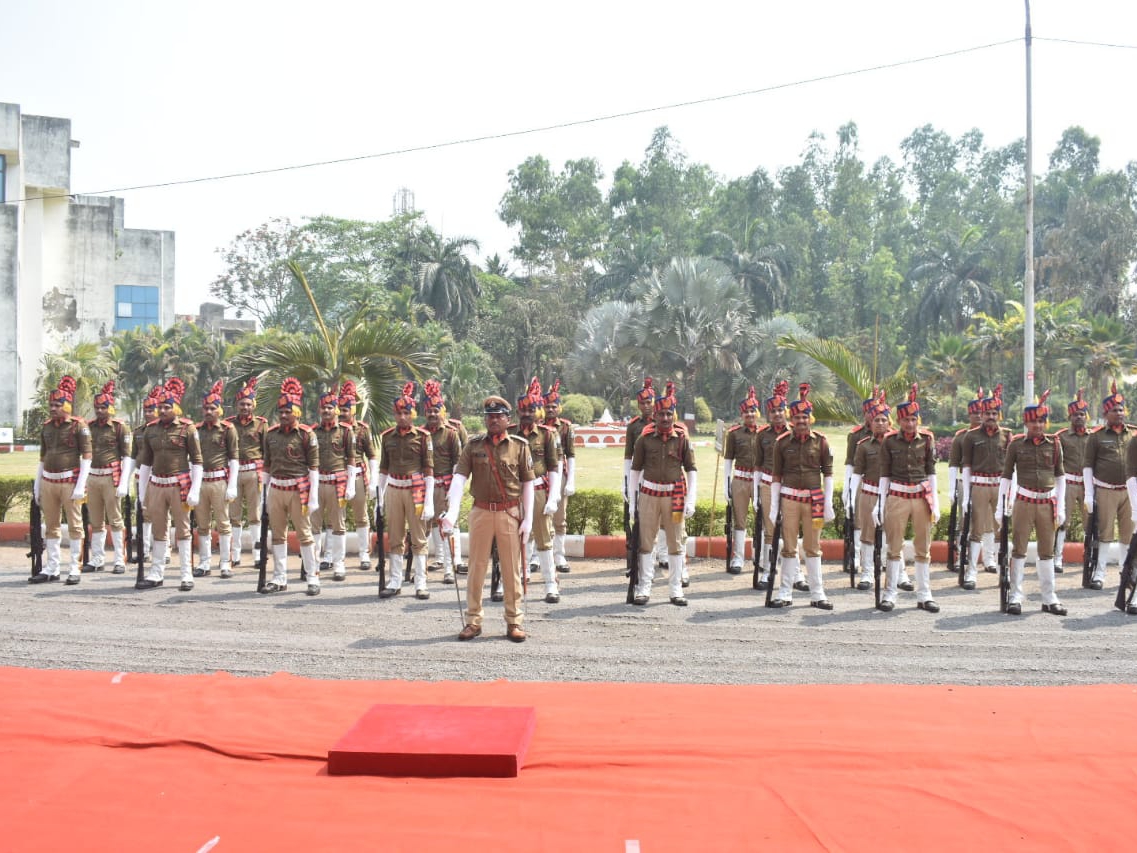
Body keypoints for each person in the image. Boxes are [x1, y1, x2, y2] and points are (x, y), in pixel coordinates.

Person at [440, 395, 535, 642]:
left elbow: (528, 484)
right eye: (489, 417)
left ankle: (514, 621)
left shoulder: (519, 446)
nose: (493, 420)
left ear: (508, 419)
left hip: (509, 512)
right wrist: (451, 514)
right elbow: (459, 479)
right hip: (481, 511)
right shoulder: (473, 446)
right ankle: (473, 621)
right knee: (476, 568)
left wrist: (528, 519)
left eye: (498, 416)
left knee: (511, 569)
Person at [628, 381, 697, 606]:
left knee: (676, 542)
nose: (665, 418)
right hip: (649, 494)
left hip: (675, 495)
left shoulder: (682, 438)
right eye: (661, 414)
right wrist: (632, 501)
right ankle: (644, 586)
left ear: (673, 415)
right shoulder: (644, 439)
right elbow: (635, 471)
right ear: (655, 416)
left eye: (669, 414)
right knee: (646, 542)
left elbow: (691, 470)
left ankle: (676, 589)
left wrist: (691, 499)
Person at [999, 391, 1067, 616]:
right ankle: (1016, 596)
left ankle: (1049, 598)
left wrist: (1061, 506)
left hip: (1047, 502)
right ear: (1025, 422)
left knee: (1047, 551)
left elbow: (1060, 476)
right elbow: (1007, 476)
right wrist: (1002, 507)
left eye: (1041, 420)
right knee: (1018, 549)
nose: (1037, 425)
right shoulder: (1016, 445)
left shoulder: (1055, 444)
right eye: (1033, 421)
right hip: (1024, 501)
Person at [767, 383, 835, 609]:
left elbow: (828, 473)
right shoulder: (782, 443)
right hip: (790, 499)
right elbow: (776, 475)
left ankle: (818, 594)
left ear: (810, 419)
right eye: (797, 418)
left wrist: (828, 504)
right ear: (791, 419)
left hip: (814, 499)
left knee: (813, 547)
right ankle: (785, 593)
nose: (801, 421)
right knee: (788, 546)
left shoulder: (821, 441)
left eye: (805, 417)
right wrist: (774, 506)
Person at [134, 378, 203, 591]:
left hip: (179, 484)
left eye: (167, 407)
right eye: (160, 407)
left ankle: (186, 574)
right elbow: (145, 462)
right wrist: (141, 493)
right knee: (158, 529)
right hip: (157, 484)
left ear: (176, 408)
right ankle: (156, 574)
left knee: (183, 530)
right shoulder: (150, 430)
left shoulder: (187, 429)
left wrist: (195, 489)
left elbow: (197, 460)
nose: (162, 410)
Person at [876, 385, 940, 613]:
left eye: (913, 419)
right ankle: (890, 594)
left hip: (921, 497)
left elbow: (931, 471)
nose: (910, 424)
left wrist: (936, 502)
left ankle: (924, 595)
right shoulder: (889, 441)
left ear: (918, 419)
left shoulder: (928, 439)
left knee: (923, 548)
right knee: (894, 547)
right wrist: (879, 503)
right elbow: (884, 474)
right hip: (897, 496)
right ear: (899, 421)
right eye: (906, 420)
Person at [261, 377, 321, 595]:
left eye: (288, 411)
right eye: (281, 412)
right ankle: (279, 578)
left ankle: (313, 578)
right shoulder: (270, 435)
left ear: (297, 412)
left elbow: (313, 468)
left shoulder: (306, 435)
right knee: (277, 534)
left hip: (298, 488)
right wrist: (263, 494)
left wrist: (313, 497)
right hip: (276, 488)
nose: (284, 415)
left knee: (304, 534)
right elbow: (266, 466)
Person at [30, 376, 92, 585]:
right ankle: (52, 567)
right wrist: (38, 486)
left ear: (67, 405)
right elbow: (42, 458)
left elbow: (87, 457)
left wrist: (81, 485)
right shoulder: (47, 427)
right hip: (49, 481)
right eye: (51, 405)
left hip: (69, 481)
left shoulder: (78, 426)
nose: (53, 408)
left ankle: (75, 567)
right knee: (51, 526)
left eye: (57, 405)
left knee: (75, 525)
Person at [377, 382, 435, 600]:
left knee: (418, 538)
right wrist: (380, 496)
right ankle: (395, 581)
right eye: (398, 413)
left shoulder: (422, 437)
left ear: (413, 414)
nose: (402, 417)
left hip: (416, 490)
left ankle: (420, 582)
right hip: (394, 488)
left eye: (406, 413)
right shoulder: (387, 437)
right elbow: (383, 468)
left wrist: (429, 501)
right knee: (395, 537)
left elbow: (429, 470)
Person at [510, 378, 562, 603]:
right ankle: (511, 582)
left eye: (531, 409)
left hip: (540, 491)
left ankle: (551, 585)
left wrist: (554, 496)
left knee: (543, 538)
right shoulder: (510, 433)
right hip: (513, 492)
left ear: (538, 411)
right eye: (523, 410)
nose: (527, 413)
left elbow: (554, 467)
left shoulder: (547, 434)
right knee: (511, 538)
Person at [1082, 382, 1134, 590]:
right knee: (1104, 534)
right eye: (1115, 410)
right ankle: (1099, 574)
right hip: (1105, 490)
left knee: (1128, 534)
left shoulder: (1133, 434)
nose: (1119, 413)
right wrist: (1088, 494)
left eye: (1121, 409)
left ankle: (1127, 572)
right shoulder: (1096, 436)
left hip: (1129, 491)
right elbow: (1087, 467)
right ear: (1106, 413)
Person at [961, 383, 1012, 589]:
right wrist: (966, 496)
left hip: (1000, 485)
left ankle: (1002, 571)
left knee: (1001, 529)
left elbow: (1011, 467)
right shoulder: (971, 436)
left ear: (999, 414)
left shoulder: (1007, 435)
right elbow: (966, 466)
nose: (991, 416)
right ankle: (972, 571)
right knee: (977, 530)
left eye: (994, 412)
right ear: (981, 414)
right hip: (979, 485)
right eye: (987, 412)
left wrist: (1011, 492)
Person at [83, 380, 132, 574]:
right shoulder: (89, 427)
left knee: (115, 519)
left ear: (111, 408)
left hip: (112, 477)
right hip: (93, 476)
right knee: (95, 520)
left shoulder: (120, 427)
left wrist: (124, 482)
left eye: (104, 407)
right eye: (97, 407)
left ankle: (120, 559)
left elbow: (127, 456)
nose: (100, 410)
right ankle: (97, 558)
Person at [310, 388, 357, 582]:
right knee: (313, 526)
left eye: (330, 407)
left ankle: (339, 564)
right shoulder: (312, 431)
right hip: (317, 481)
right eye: (324, 408)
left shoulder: (346, 432)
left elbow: (352, 459)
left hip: (338, 482)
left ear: (337, 410)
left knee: (338, 525)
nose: (326, 411)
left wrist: (351, 485)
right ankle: (312, 565)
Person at [193, 381, 240, 579]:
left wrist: (232, 485)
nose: (209, 411)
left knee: (223, 523)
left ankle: (225, 563)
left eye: (213, 408)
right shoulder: (195, 430)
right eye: (206, 408)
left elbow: (234, 458)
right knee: (202, 524)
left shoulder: (228, 429)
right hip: (201, 481)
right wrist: (192, 487)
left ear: (219, 410)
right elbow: (191, 459)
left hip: (219, 480)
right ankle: (204, 563)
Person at [847, 391, 891, 592]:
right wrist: (848, 493)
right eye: (876, 419)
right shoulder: (861, 443)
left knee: (893, 534)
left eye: (884, 419)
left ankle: (896, 574)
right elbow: (855, 469)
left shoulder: (897, 441)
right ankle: (867, 573)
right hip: (870, 492)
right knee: (866, 532)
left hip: (893, 494)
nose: (880, 423)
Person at [624, 377, 669, 571]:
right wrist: (626, 483)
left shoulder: (665, 421)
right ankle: (640, 555)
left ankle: (664, 554)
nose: (646, 406)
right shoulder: (634, 426)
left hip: (660, 474)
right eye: (642, 403)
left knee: (665, 517)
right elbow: (628, 457)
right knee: (642, 517)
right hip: (639, 474)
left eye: (649, 402)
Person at [225, 377, 269, 573]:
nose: (245, 407)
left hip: (253, 472)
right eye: (242, 404)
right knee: (233, 515)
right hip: (233, 473)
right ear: (237, 404)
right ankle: (235, 555)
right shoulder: (228, 425)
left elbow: (267, 451)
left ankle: (258, 555)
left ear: (253, 405)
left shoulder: (261, 424)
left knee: (255, 514)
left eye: (248, 404)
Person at [751, 380, 791, 589]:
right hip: (767, 485)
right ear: (768, 413)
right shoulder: (762, 435)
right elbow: (756, 465)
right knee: (769, 530)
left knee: (791, 530)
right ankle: (768, 571)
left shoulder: (793, 433)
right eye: (773, 411)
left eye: (780, 410)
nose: (777, 414)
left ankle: (795, 573)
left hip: (789, 487)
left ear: (786, 412)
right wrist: (756, 492)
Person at [337, 381, 378, 571]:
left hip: (358, 477)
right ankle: (335, 556)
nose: (342, 412)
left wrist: (373, 481)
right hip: (337, 476)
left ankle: (364, 554)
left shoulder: (362, 429)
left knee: (361, 517)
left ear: (353, 410)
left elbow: (371, 456)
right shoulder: (334, 429)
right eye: (340, 409)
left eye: (346, 409)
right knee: (337, 518)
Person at [723, 386, 761, 575]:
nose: (750, 414)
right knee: (739, 520)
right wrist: (725, 484)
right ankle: (738, 558)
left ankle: (759, 556)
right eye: (746, 412)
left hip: (759, 480)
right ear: (742, 414)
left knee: (760, 519)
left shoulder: (763, 433)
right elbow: (728, 460)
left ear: (757, 412)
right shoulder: (734, 433)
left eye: (752, 411)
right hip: (740, 479)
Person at [947, 387, 985, 573]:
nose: (978, 416)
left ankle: (988, 559)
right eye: (974, 413)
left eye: (981, 413)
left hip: (986, 483)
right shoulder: (961, 437)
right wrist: (951, 488)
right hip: (965, 482)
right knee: (964, 521)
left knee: (987, 522)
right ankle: (961, 554)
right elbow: (953, 464)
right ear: (969, 415)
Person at [842, 389, 878, 580]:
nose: (872, 416)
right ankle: (856, 557)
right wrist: (848, 489)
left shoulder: (888, 434)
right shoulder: (856, 435)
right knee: (858, 521)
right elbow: (850, 462)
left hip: (882, 483)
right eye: (869, 412)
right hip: (860, 480)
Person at [1053, 389, 1090, 574]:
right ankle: (1057, 558)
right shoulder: (1061, 437)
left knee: (1089, 522)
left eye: (1082, 414)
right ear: (1070, 416)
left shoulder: (1092, 437)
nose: (1079, 417)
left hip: (1087, 484)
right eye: (1076, 414)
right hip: (1068, 483)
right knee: (1062, 521)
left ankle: (1089, 556)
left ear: (1087, 416)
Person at [543, 379, 576, 573]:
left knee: (559, 516)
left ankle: (559, 555)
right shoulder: (537, 426)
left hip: (560, 474)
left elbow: (571, 455)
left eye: (553, 406)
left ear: (559, 408)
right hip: (541, 474)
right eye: (546, 406)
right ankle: (536, 556)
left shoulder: (565, 427)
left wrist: (571, 480)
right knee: (539, 516)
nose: (550, 409)